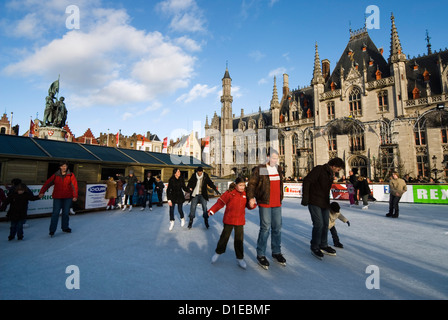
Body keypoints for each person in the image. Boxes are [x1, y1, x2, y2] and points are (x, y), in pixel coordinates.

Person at [247, 149, 286, 270]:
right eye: (273, 158)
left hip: (277, 203)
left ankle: (276, 251)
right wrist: (251, 197)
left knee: (277, 228)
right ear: (268, 157)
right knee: (265, 228)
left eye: (276, 158)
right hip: (265, 202)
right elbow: (252, 184)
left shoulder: (278, 169)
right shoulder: (262, 169)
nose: (275, 160)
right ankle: (261, 254)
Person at [301, 157, 345, 260]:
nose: (338, 171)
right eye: (338, 169)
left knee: (326, 224)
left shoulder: (330, 174)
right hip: (314, 201)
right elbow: (307, 180)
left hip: (325, 203)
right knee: (319, 224)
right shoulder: (319, 169)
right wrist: (305, 197)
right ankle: (315, 246)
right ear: (333, 166)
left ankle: (323, 245)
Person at [208, 178, 256, 269]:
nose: (242, 187)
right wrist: (212, 210)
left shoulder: (246, 194)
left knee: (239, 240)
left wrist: (251, 205)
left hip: (239, 220)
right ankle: (218, 253)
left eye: (243, 185)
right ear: (235, 184)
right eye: (240, 185)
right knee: (224, 237)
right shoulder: (230, 193)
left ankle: (240, 258)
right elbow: (220, 203)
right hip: (229, 219)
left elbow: (249, 206)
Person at [39, 160, 78, 237]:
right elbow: (48, 183)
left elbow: (74, 186)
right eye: (62, 166)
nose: (64, 167)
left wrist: (75, 196)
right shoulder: (55, 175)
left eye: (65, 166)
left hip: (67, 197)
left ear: (67, 167)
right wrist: (42, 192)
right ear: (60, 167)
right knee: (55, 214)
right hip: (57, 197)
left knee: (65, 213)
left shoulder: (71, 175)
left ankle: (65, 227)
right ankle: (52, 230)